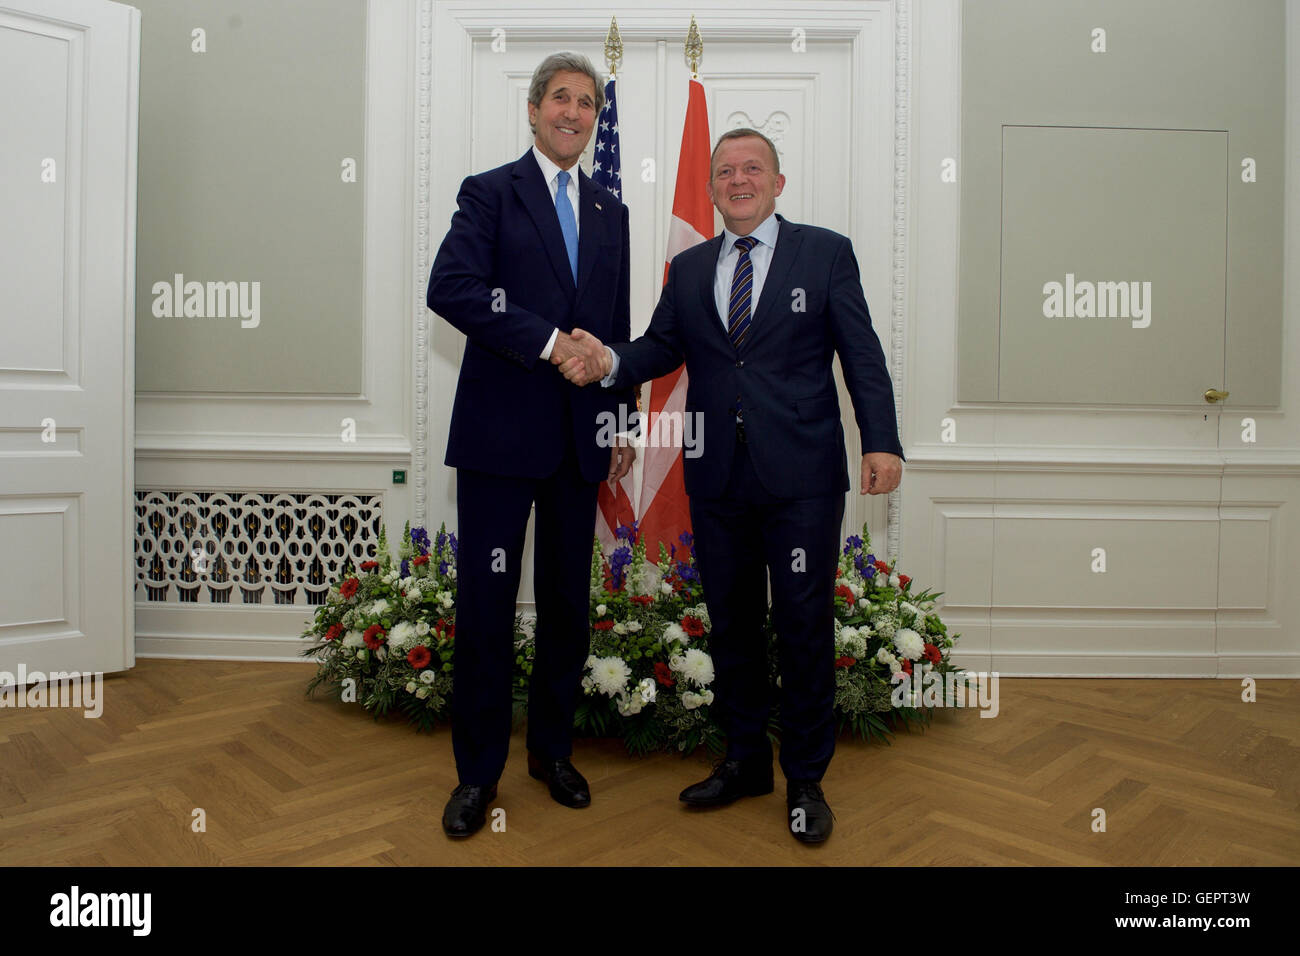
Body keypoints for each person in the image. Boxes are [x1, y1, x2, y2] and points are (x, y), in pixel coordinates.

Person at [560, 128, 903, 844]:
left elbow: (860, 354)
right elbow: (661, 348)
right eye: (725, 172)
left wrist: (882, 440)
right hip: (716, 473)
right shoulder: (688, 270)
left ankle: (806, 779)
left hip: (802, 476)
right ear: (712, 189)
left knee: (804, 625)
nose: (737, 180)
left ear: (779, 181)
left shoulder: (826, 252)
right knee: (734, 624)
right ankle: (746, 760)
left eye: (752, 169)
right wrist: (610, 361)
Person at [426, 52, 636, 838]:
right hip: (498, 442)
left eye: (587, 102)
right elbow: (451, 288)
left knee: (567, 610)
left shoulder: (612, 209)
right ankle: (477, 775)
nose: (574, 113)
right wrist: (550, 343)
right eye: (561, 98)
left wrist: (619, 411)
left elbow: (613, 325)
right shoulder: (491, 193)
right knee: (485, 611)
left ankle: (552, 751)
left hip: (580, 443)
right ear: (533, 107)